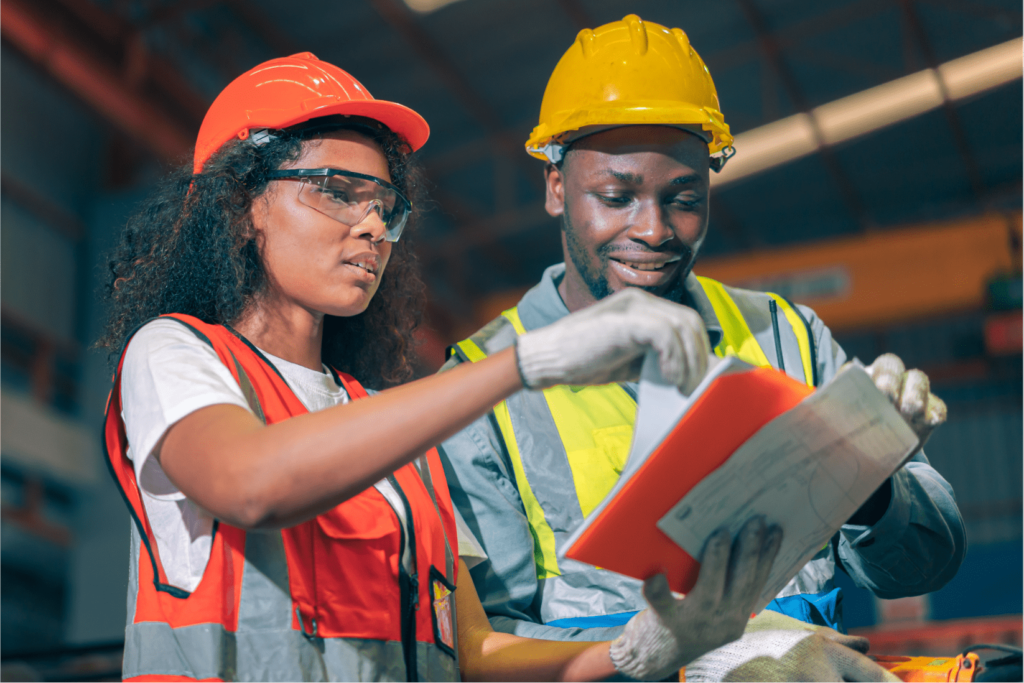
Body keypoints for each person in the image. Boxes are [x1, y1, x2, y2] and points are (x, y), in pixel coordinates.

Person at [98, 51, 808, 683]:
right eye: (337, 190)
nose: (373, 225)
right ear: (242, 203)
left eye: (385, 204)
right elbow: (251, 484)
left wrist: (632, 651)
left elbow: (476, 653)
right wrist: (522, 363)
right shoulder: (177, 354)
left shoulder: (402, 447)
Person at [439, 15, 965, 681]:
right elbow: (484, 646)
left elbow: (930, 559)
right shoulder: (480, 387)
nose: (653, 229)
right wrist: (674, 653)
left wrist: (869, 491)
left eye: (683, 198)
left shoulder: (786, 335)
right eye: (616, 195)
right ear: (554, 188)